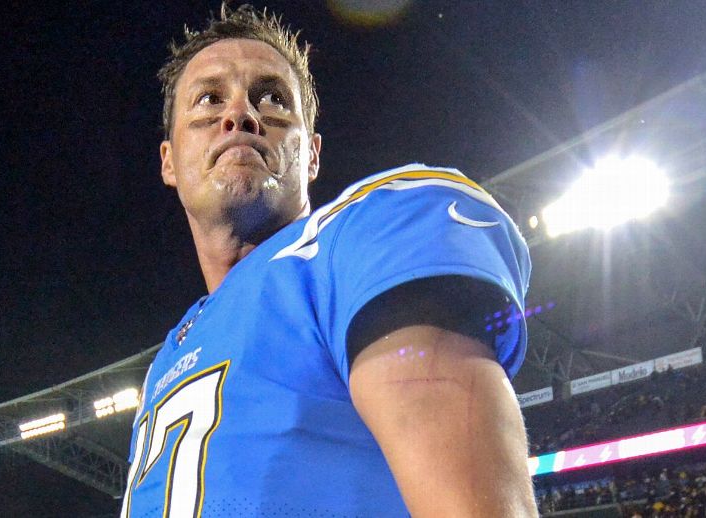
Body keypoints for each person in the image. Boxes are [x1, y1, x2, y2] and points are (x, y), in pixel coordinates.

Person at [119, 5, 535, 517]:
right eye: (209, 99)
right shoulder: (170, 353)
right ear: (168, 161)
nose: (240, 116)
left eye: (273, 99)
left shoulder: (358, 240)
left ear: (312, 154)